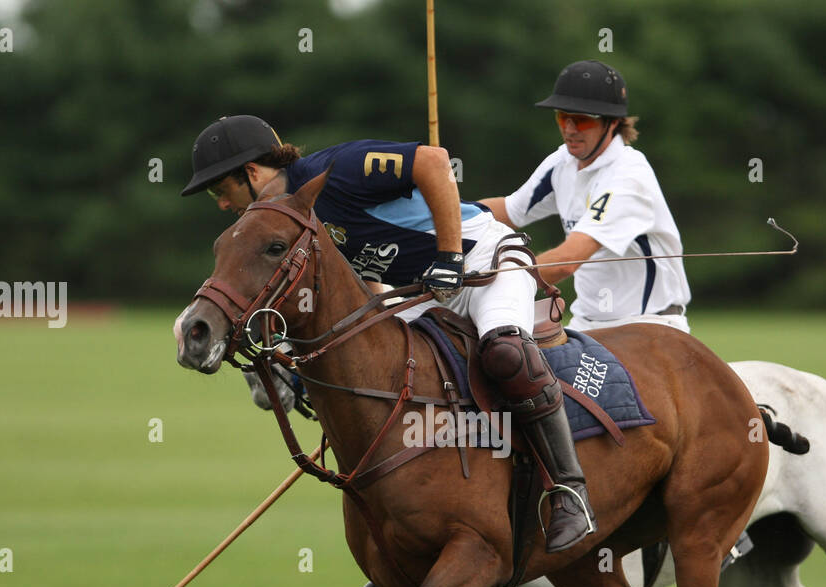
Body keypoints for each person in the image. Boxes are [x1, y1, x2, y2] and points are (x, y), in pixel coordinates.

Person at [181, 115, 594, 553]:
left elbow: (434, 162)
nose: (223, 204)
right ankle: (404, 526)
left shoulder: (337, 169)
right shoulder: (286, 224)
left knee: (507, 352)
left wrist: (450, 255)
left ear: (250, 172)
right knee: (372, 371)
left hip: (484, 263)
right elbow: (358, 279)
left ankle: (569, 492)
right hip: (422, 289)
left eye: (219, 190)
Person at [479, 60, 692, 334]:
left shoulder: (629, 175)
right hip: (586, 326)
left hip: (650, 327)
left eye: (581, 119)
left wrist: (492, 279)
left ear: (612, 123)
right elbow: (510, 211)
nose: (569, 129)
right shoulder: (562, 161)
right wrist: (443, 212)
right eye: (561, 117)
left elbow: (567, 261)